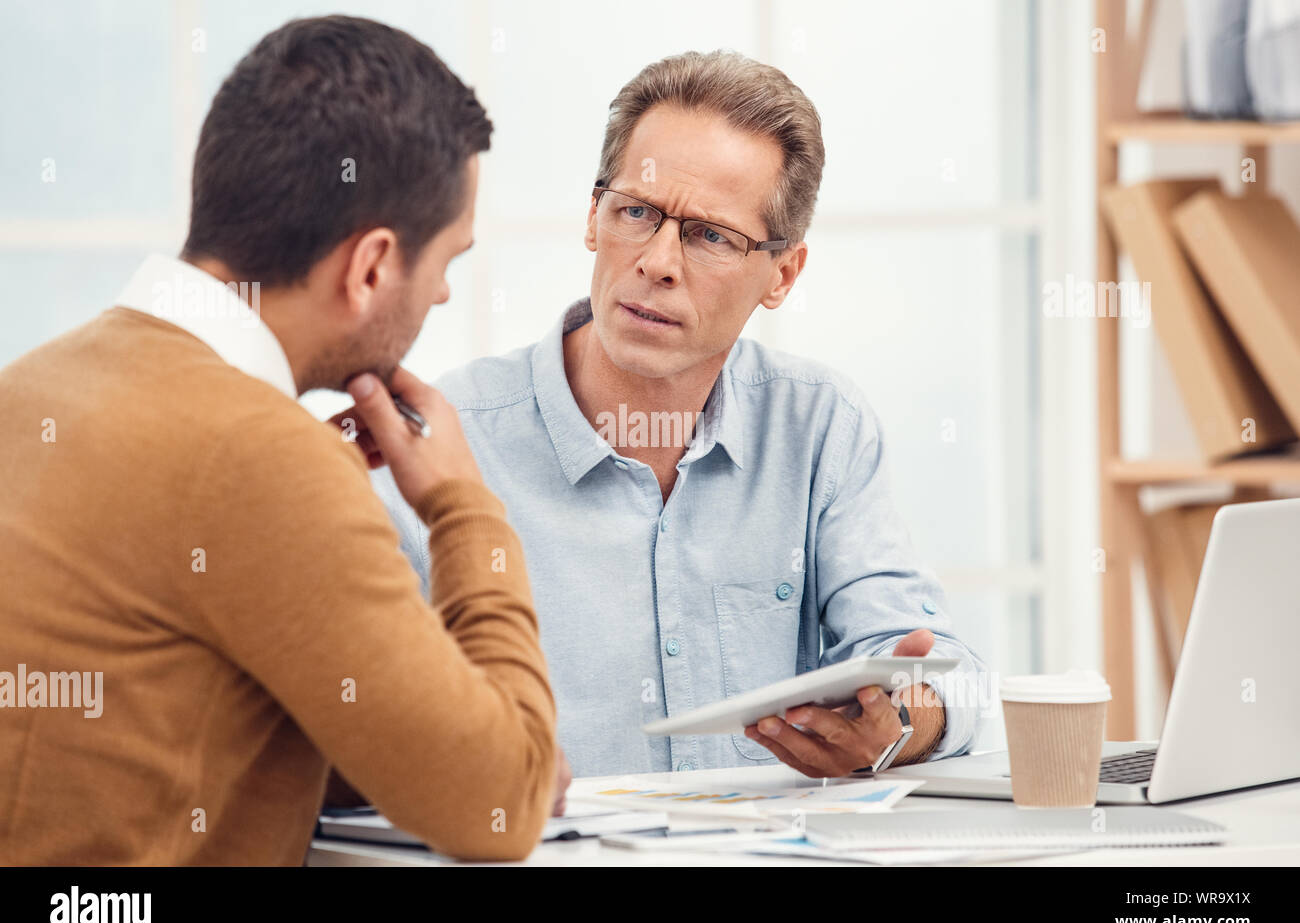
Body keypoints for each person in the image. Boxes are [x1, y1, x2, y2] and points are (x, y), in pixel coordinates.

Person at [0, 15, 558, 865]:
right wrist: (462, 508)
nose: (443, 295)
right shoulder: (263, 460)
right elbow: (501, 803)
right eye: (447, 259)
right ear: (370, 266)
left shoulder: (33, 385)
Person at [369, 51, 989, 780]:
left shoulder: (820, 427)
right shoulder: (444, 441)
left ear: (782, 275)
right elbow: (364, 735)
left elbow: (942, 673)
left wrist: (903, 724)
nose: (658, 261)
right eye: (637, 212)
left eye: (709, 236)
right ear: (593, 218)